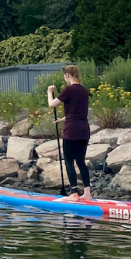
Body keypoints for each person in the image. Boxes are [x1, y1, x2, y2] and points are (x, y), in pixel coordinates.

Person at [48, 64, 93, 200]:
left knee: (68, 160)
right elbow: (77, 111)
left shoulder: (69, 90)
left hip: (71, 130)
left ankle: (74, 193)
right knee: (81, 161)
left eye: (64, 76)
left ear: (67, 75)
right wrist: (62, 119)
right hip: (84, 129)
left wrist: (50, 92)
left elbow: (52, 104)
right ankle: (87, 193)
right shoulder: (84, 90)